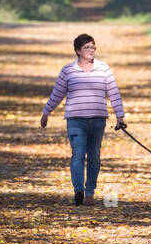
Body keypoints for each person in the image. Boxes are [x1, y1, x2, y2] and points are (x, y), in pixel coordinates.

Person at [40, 33, 127, 205]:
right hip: (75, 120)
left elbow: (113, 92)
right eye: (87, 47)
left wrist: (120, 116)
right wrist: (46, 112)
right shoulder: (68, 70)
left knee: (94, 156)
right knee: (78, 155)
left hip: (97, 120)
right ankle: (78, 190)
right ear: (78, 51)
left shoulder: (103, 69)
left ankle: (90, 193)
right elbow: (57, 93)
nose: (91, 50)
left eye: (93, 47)